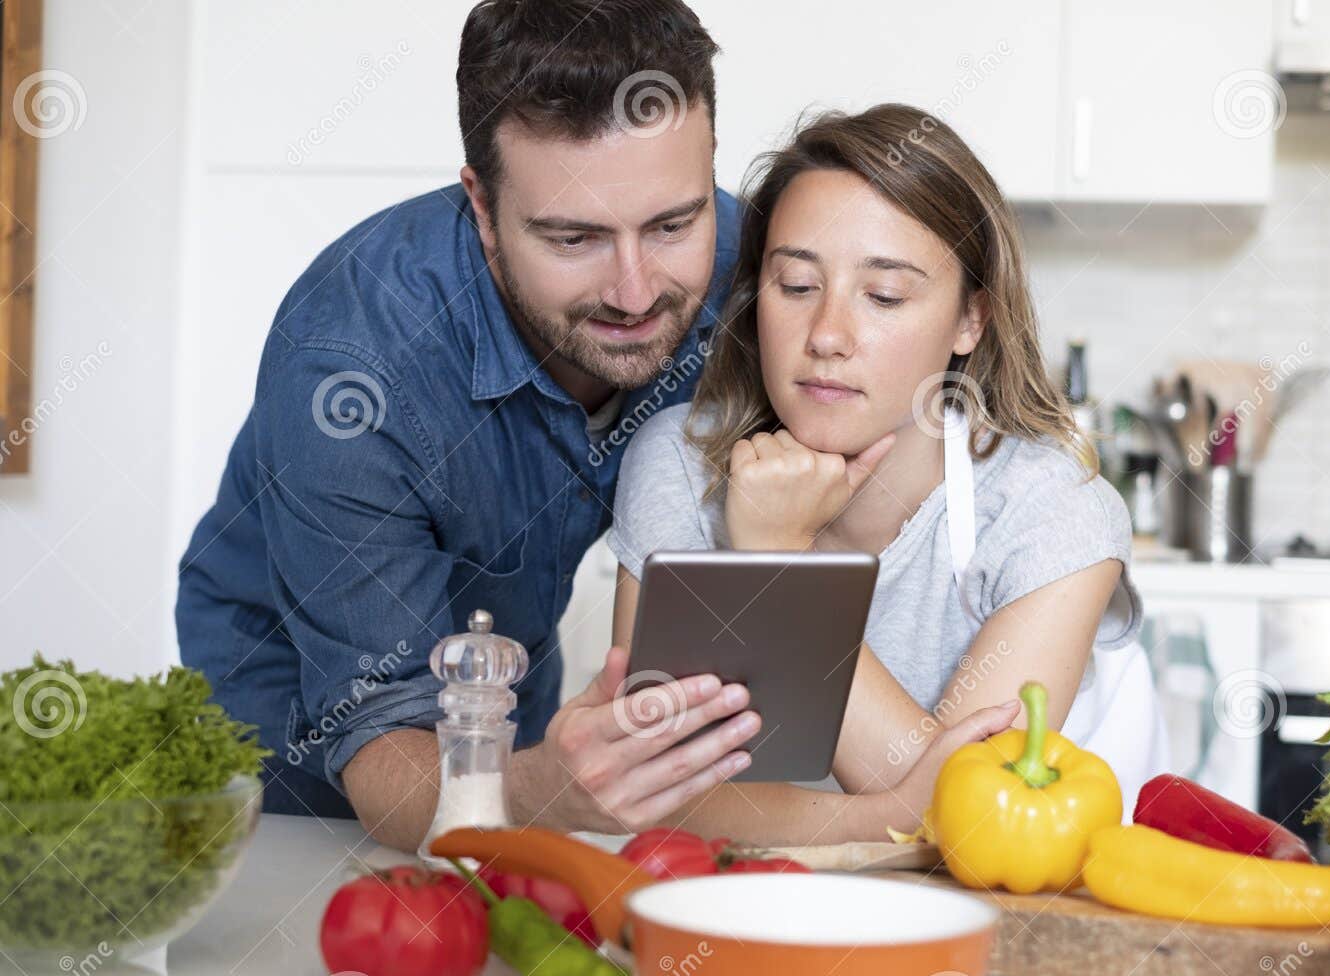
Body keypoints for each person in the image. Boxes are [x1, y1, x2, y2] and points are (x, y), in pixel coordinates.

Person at [175, 0, 780, 848]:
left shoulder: (750, 265)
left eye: (673, 223)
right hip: (299, 741)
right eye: (573, 238)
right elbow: (387, 751)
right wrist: (547, 785)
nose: (637, 292)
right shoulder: (350, 371)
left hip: (508, 681)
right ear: (483, 211)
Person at [608, 104, 1169, 845]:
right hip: (755, 912)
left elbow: (977, 815)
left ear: (971, 320)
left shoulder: (1051, 511)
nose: (828, 337)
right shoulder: (680, 468)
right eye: (797, 286)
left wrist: (784, 561)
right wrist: (884, 817)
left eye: (884, 296)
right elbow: (653, 792)